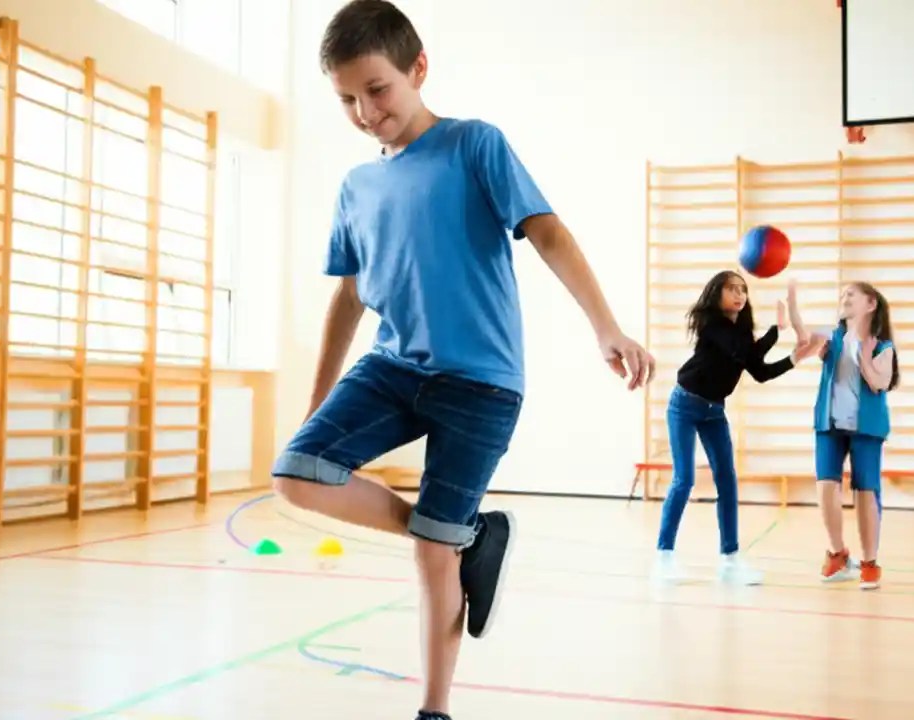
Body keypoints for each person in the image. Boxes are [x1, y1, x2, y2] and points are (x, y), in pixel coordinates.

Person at [268, 3, 654, 718]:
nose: (365, 112)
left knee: (430, 554)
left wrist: (605, 326)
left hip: (481, 383)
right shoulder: (356, 188)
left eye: (377, 89)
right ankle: (466, 532)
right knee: (297, 473)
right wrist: (318, 401)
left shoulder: (475, 144)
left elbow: (549, 233)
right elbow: (348, 298)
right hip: (392, 369)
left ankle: (435, 707)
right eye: (347, 99)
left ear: (417, 69)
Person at [652, 271, 821, 586]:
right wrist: (776, 331)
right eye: (731, 289)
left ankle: (730, 560)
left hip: (714, 411)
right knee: (684, 479)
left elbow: (760, 372)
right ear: (716, 294)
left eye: (743, 289)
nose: (739, 294)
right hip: (684, 405)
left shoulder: (741, 334)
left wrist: (794, 358)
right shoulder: (711, 325)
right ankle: (664, 557)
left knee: (728, 481)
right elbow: (743, 353)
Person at [789, 280, 898, 590]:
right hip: (829, 425)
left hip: (867, 427)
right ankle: (838, 554)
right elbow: (803, 336)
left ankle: (869, 563)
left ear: (871, 304)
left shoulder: (882, 346)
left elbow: (879, 383)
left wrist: (864, 356)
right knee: (825, 486)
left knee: (865, 492)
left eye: (851, 294)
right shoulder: (832, 336)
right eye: (842, 294)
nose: (844, 297)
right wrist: (793, 304)